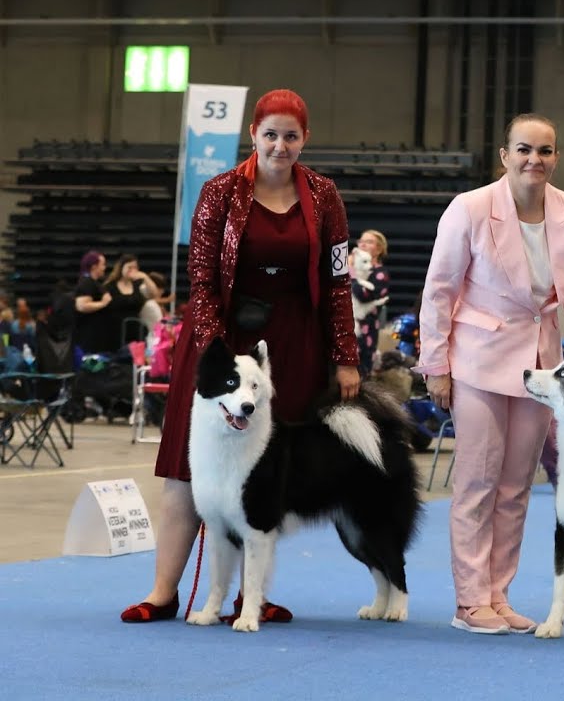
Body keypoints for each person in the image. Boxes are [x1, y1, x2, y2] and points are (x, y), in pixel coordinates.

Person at [120, 89, 361, 623]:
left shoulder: (326, 197)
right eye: (270, 134)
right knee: (186, 470)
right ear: (252, 135)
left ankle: (252, 596)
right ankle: (163, 592)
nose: (280, 145)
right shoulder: (218, 193)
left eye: (291, 136)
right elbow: (201, 283)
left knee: (270, 476)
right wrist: (217, 351)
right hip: (219, 344)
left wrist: (346, 355)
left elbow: (339, 282)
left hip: (292, 346)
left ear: (305, 139)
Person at [417, 113, 564, 635]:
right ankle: (469, 601)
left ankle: (497, 594)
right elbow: (439, 292)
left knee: (516, 487)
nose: (536, 160)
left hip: (540, 363)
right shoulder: (468, 208)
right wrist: (436, 368)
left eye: (546, 151)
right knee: (477, 483)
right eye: (525, 149)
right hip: (476, 362)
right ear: (504, 155)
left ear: (557, 156)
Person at [353, 229, 391, 375]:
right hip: (348, 326)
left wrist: (352, 276)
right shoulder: (353, 269)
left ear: (379, 248)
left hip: (366, 328)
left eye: (369, 242)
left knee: (361, 369)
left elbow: (364, 295)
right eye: (361, 241)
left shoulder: (380, 273)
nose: (363, 245)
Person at [103, 254, 160, 346]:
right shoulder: (110, 286)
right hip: (115, 330)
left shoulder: (138, 285)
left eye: (135, 267)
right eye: (129, 267)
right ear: (121, 268)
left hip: (135, 329)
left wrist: (145, 277)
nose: (132, 270)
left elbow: (154, 294)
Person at [74, 250, 115, 354]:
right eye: (102, 264)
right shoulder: (86, 283)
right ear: (94, 266)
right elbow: (82, 306)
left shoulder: (94, 282)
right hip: (89, 337)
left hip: (96, 335)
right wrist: (103, 303)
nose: (104, 268)